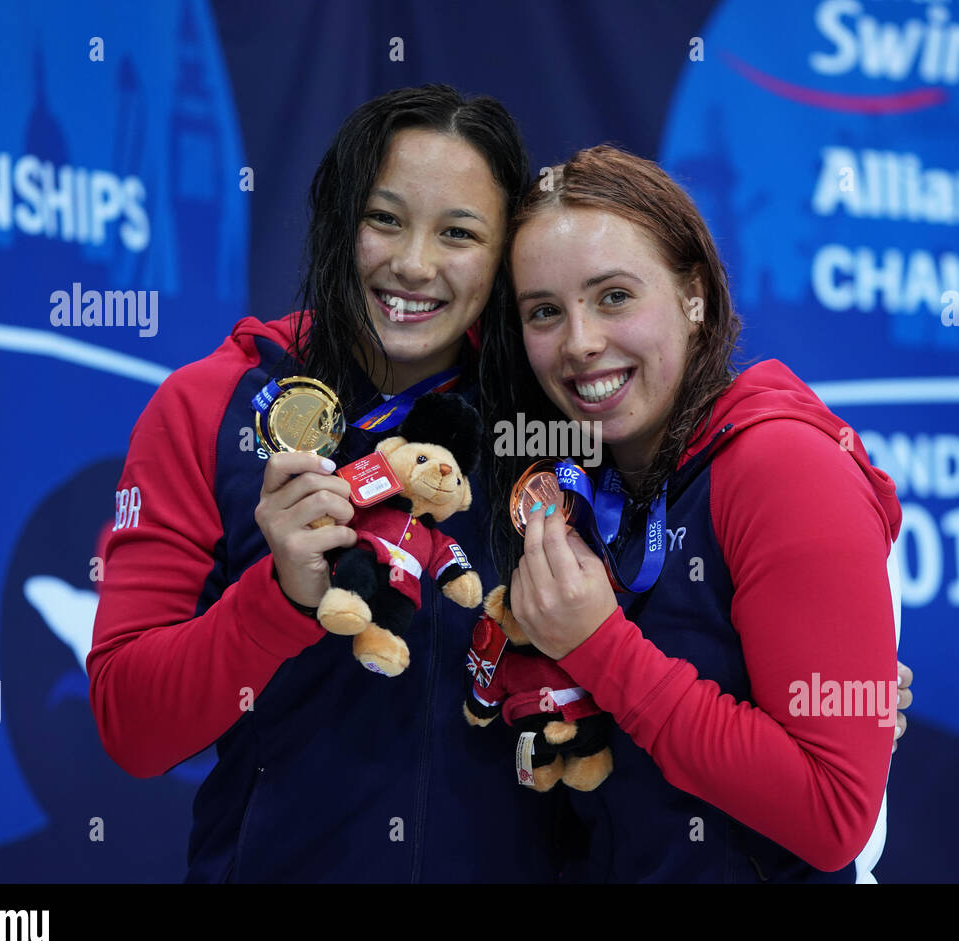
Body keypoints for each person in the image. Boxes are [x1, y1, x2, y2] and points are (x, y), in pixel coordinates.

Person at [89, 83, 911, 882]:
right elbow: (132, 728)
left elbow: (688, 620)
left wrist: (848, 688)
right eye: (384, 219)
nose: (414, 265)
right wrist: (273, 605)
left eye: (459, 233)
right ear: (341, 223)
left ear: (498, 261)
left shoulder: (559, 413)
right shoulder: (211, 405)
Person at [491, 145, 905, 882]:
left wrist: (600, 647)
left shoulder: (783, 464)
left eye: (614, 296)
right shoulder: (585, 479)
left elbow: (832, 815)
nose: (581, 342)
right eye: (545, 312)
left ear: (695, 296)